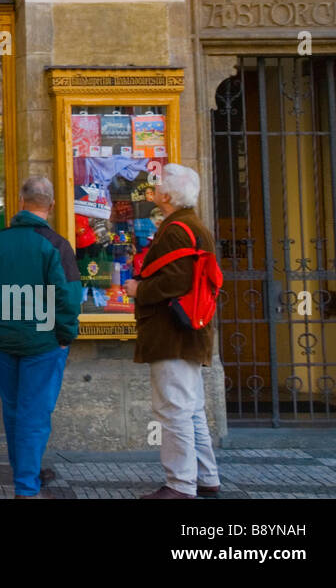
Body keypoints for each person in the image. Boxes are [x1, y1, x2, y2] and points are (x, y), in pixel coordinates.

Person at [0, 176, 81, 498]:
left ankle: (27, 472)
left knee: (13, 411)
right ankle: (26, 485)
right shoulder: (56, 245)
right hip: (43, 342)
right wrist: (65, 334)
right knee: (34, 414)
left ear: (21, 203)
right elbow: (69, 298)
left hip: (6, 340)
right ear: (50, 205)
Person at [123, 163, 221, 500]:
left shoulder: (177, 228)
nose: (154, 189)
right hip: (188, 332)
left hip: (173, 334)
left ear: (166, 195)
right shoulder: (190, 225)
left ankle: (180, 485)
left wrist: (139, 290)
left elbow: (176, 280)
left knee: (174, 411)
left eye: (159, 185)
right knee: (189, 410)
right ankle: (206, 478)